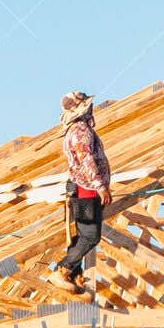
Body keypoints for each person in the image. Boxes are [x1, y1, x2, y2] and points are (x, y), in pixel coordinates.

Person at [58, 90, 111, 293]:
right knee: (90, 236)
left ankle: (73, 274)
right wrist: (100, 186)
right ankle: (63, 269)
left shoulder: (74, 129)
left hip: (81, 187)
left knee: (83, 234)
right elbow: (86, 159)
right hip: (87, 188)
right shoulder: (81, 130)